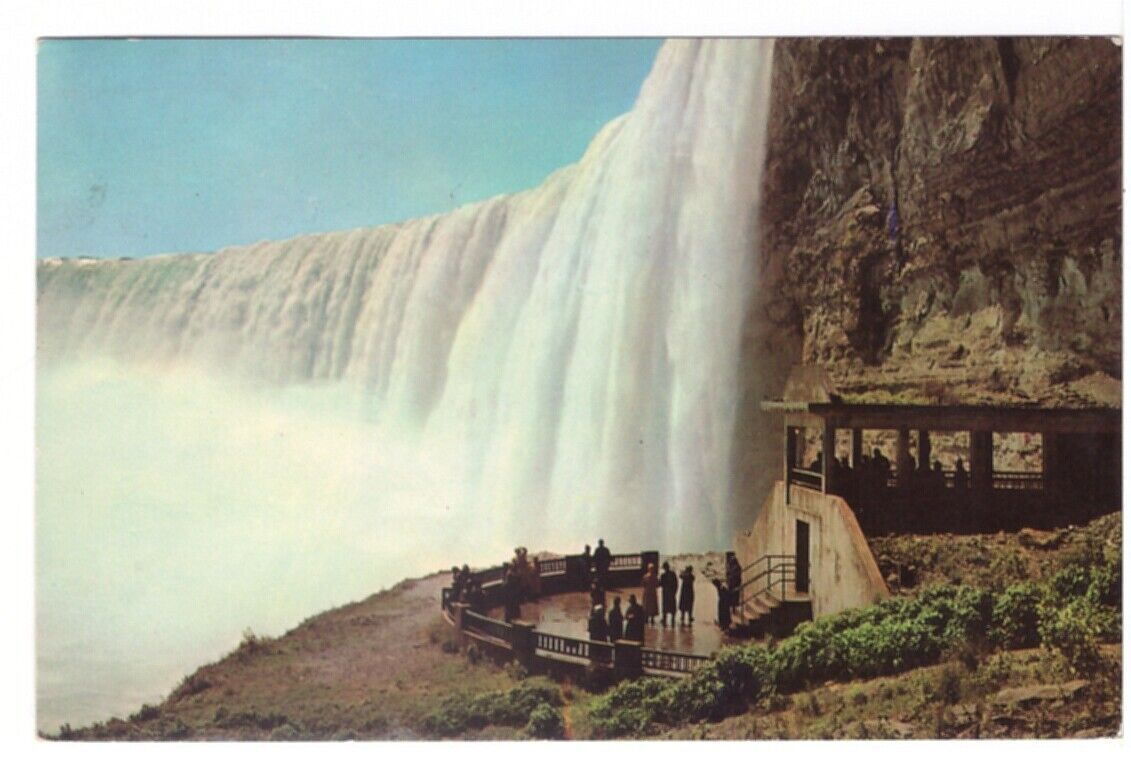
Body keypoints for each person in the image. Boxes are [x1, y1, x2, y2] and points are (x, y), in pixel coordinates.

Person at [659, 561, 678, 627]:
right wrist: (675, 592)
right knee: (672, 607)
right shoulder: (673, 574)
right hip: (671, 593)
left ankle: (664, 620)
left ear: (664, 568)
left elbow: (660, 584)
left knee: (665, 607)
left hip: (665, 593)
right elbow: (676, 584)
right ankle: (673, 620)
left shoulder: (663, 575)